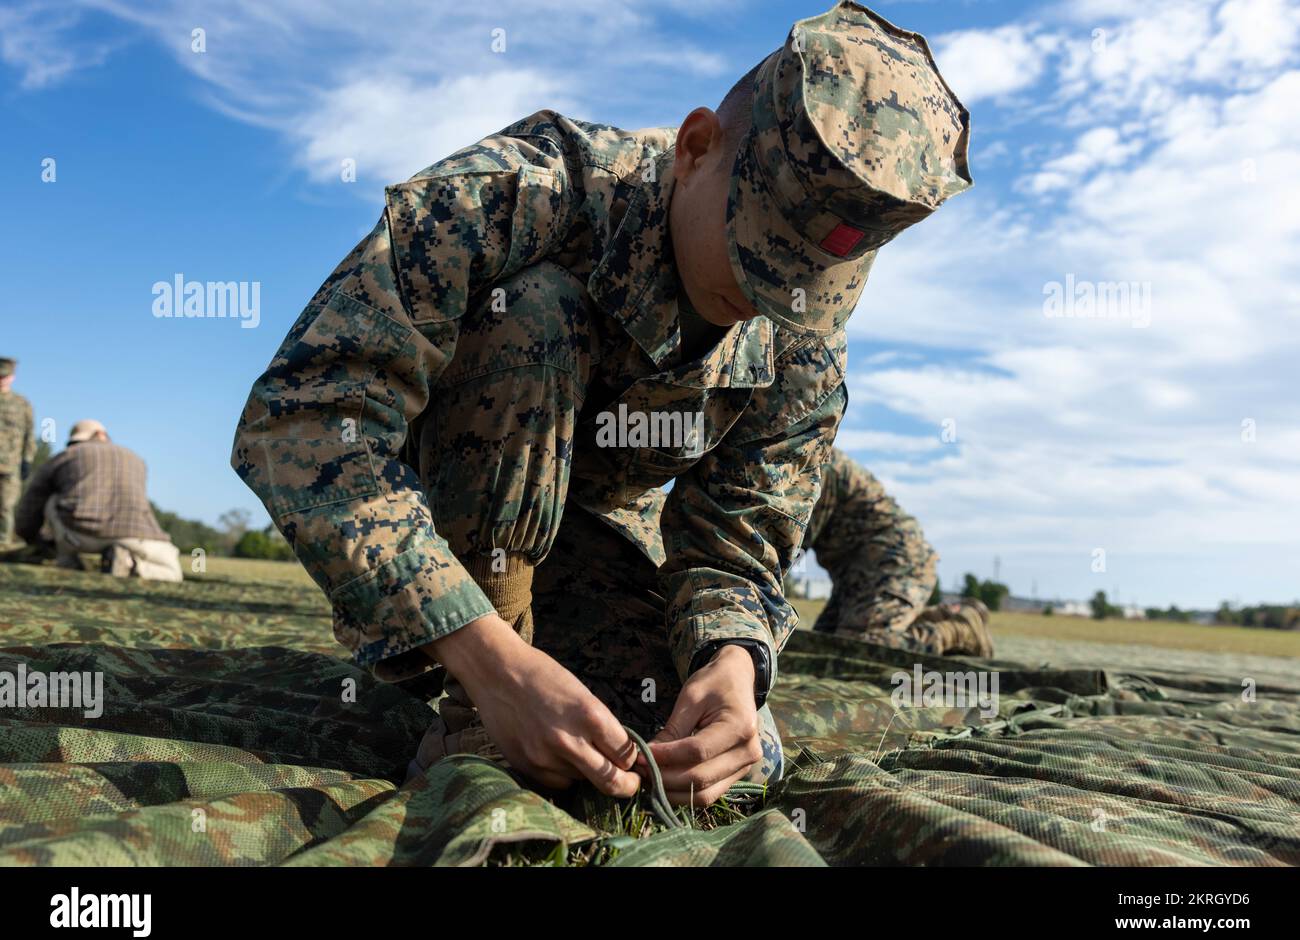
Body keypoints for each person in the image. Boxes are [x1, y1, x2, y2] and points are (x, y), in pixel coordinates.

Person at [232, 0, 971, 806]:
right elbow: (306, 415)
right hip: (435, 519)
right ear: (695, 149)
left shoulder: (801, 325)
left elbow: (739, 536)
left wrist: (730, 662)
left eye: (806, 279)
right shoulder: (524, 194)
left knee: (706, 749)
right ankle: (474, 698)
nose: (769, 294)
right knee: (532, 313)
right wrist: (491, 664)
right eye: (757, 245)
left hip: (594, 531)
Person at [803, 448, 994, 656]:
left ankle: (959, 631)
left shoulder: (811, 464)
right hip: (854, 571)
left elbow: (782, 549)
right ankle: (935, 615)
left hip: (897, 560)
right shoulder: (794, 455)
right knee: (819, 648)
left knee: (862, 648)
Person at [15, 419, 184, 582]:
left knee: (52, 499)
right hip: (138, 536)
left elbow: (30, 505)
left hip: (80, 535)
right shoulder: (136, 459)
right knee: (173, 573)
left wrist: (34, 539)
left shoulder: (63, 457)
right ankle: (132, 566)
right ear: (102, 434)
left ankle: (67, 559)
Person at [0, 357, 36, 548]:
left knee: (6, 506)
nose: (1, 379)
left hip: (10, 465)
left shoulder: (21, 404)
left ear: (12, 377)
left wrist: (27, 460)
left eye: (5, 376)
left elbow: (30, 434)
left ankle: (3, 544)